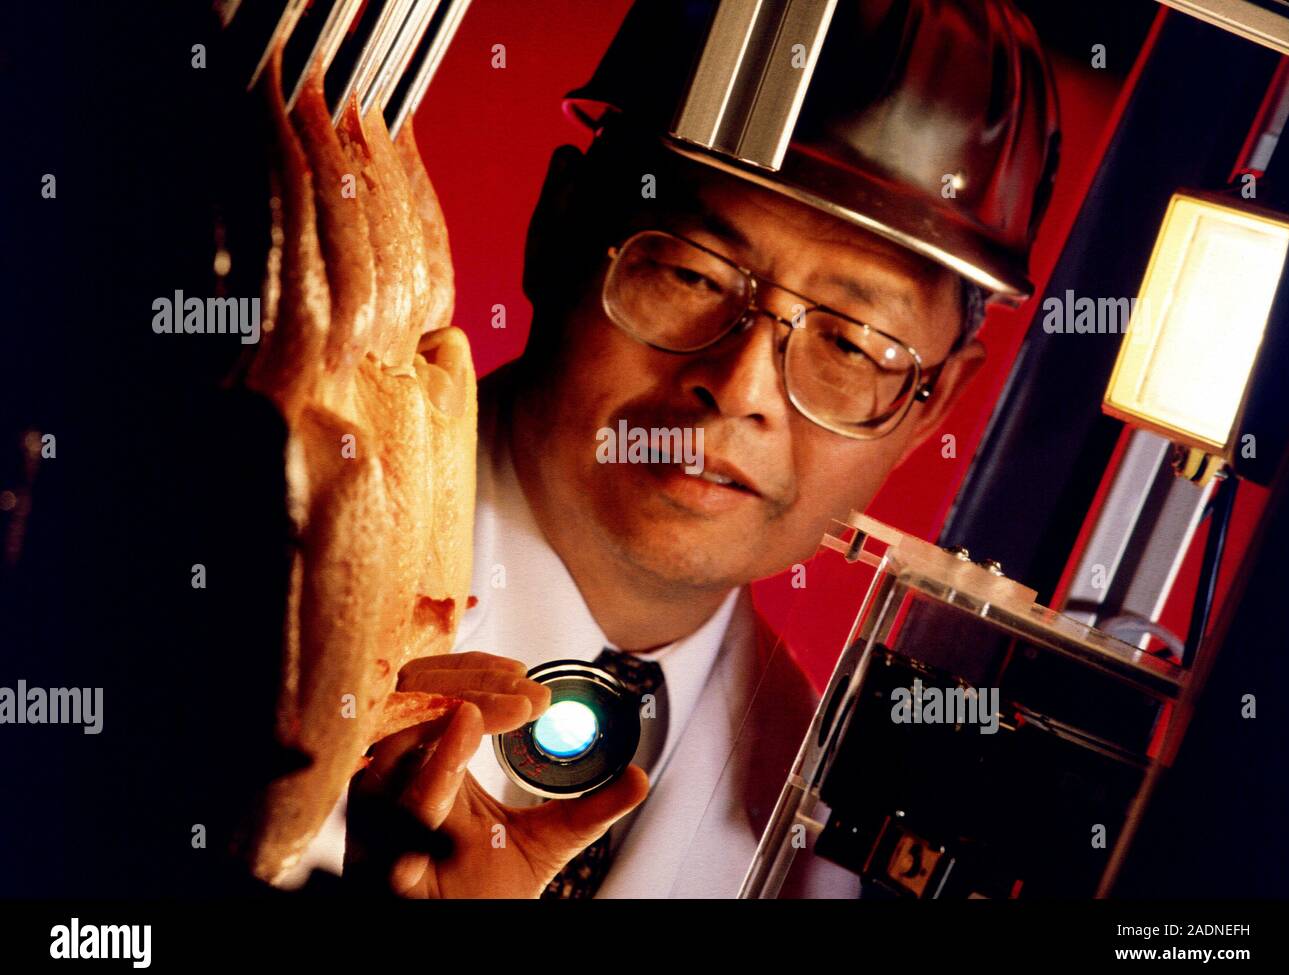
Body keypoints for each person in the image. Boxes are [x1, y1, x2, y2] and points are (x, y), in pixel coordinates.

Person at [293, 0, 1062, 898]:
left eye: (852, 342)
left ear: (933, 404)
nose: (739, 388)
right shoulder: (242, 551)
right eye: (693, 274)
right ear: (559, 229)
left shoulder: (821, 851)